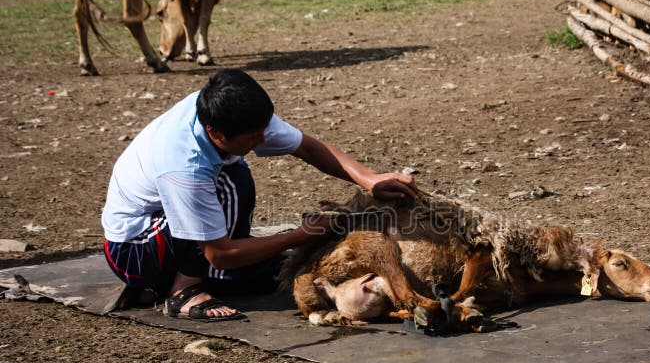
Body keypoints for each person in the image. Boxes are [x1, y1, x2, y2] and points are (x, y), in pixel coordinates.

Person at [102, 69, 417, 321]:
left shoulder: (234, 111)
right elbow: (218, 253)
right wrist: (301, 235)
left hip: (166, 230)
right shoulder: (185, 166)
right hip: (135, 251)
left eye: (265, 129)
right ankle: (184, 290)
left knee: (236, 176)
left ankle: (225, 271)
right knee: (230, 182)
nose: (264, 139)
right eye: (254, 137)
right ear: (216, 133)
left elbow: (305, 146)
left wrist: (370, 180)